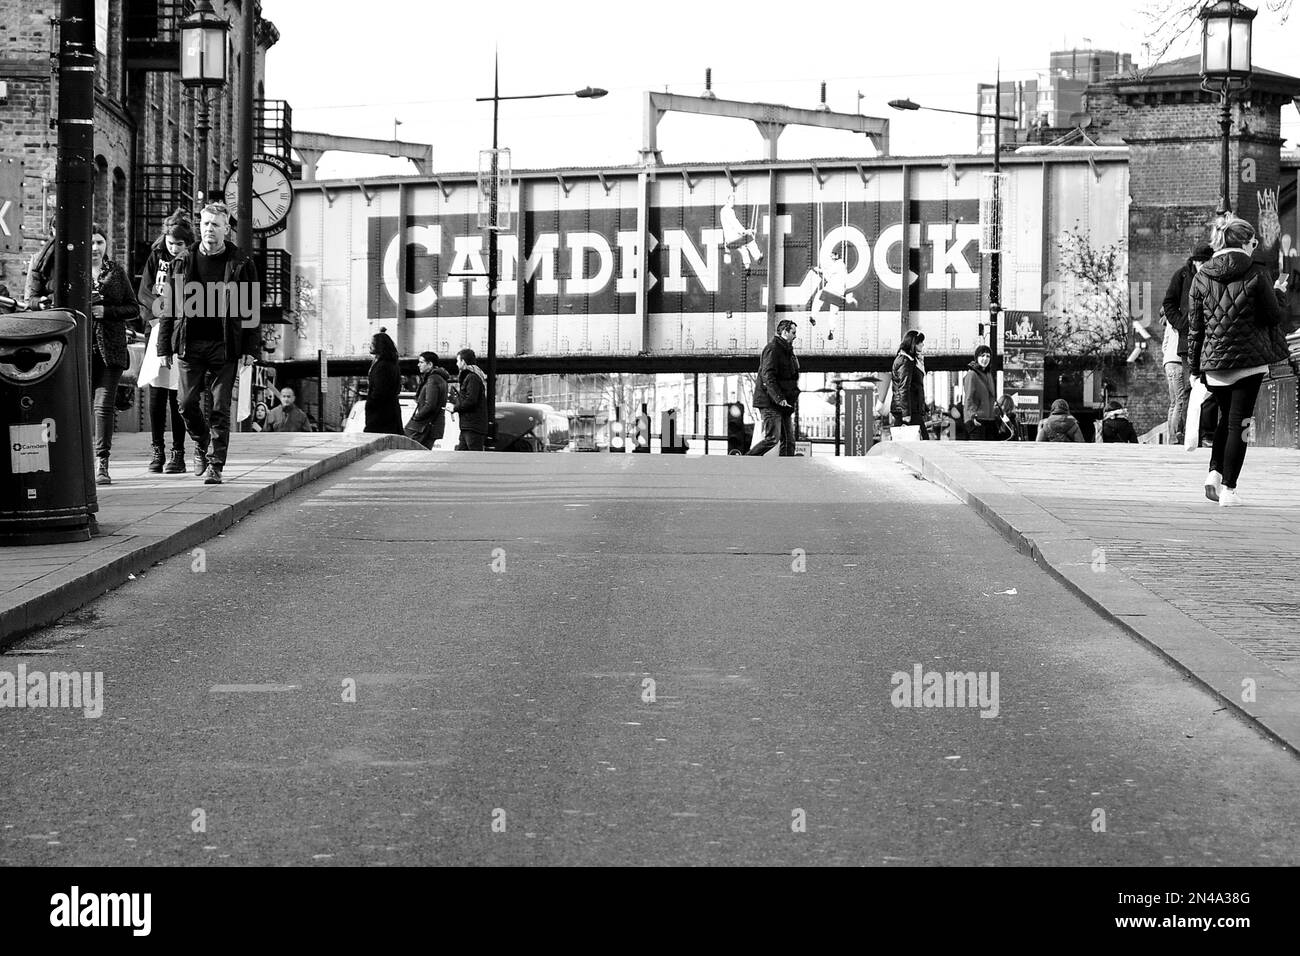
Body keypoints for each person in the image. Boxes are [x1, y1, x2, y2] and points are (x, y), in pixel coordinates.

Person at [1188, 216, 1290, 506]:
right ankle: (1229, 491)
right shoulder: (1257, 272)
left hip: (1213, 363)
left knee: (1226, 420)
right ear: (1245, 243)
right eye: (1254, 243)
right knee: (1240, 424)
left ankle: (1214, 473)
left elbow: (1195, 328)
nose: (1255, 248)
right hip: (1249, 361)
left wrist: (1195, 368)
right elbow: (1272, 317)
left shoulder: (1201, 276)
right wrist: (1280, 294)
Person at [158, 202, 261, 486]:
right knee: (185, 402)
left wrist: (251, 349)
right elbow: (169, 305)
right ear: (200, 227)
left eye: (215, 224)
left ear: (226, 229)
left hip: (225, 345)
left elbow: (251, 308)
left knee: (219, 406)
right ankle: (202, 441)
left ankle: (216, 464)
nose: (209, 229)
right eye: (205, 224)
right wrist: (164, 346)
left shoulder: (240, 262)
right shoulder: (184, 260)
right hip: (190, 343)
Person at [136, 212, 195, 474]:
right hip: (156, 329)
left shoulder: (192, 262)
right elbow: (144, 292)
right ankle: (157, 449)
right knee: (157, 391)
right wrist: (160, 311)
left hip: (180, 332)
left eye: (179, 244)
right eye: (171, 243)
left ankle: (178, 452)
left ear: (187, 243)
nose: (174, 248)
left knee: (177, 393)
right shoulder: (155, 257)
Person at [84, 223, 140, 485]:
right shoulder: (74, 270)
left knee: (103, 405)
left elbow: (133, 308)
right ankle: (81, 462)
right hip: (81, 350)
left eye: (99, 242)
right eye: (91, 242)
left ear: (105, 245)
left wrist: (107, 312)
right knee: (81, 408)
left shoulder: (116, 272)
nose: (95, 247)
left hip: (111, 350)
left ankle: (102, 463)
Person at [1161, 244, 1214, 446]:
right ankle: (1192, 434)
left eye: (1204, 261)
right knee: (1191, 387)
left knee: (1211, 385)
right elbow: (1168, 303)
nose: (1200, 264)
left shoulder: (1215, 274)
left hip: (1211, 338)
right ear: (1193, 261)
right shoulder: (1182, 276)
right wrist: (1182, 324)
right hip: (1188, 341)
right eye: (1198, 261)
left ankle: (1206, 433)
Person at [746, 318, 801, 456]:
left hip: (783, 403)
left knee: (789, 441)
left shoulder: (787, 351)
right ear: (784, 332)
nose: (795, 336)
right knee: (772, 438)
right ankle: (746, 460)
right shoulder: (773, 349)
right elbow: (768, 376)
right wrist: (779, 398)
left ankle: (786, 471)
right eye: (793, 332)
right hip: (770, 402)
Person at [404, 351, 450, 449]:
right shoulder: (440, 378)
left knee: (411, 452)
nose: (418, 364)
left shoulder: (432, 379)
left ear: (430, 364)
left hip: (425, 426)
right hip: (432, 425)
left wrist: (416, 417)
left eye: (421, 362)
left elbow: (430, 405)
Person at [364, 327, 404, 435]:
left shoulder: (383, 366)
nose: (370, 345)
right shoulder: (391, 363)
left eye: (373, 343)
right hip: (390, 411)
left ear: (380, 345)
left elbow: (379, 390)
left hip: (381, 413)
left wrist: (371, 403)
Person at [890, 329, 929, 439]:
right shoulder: (905, 361)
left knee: (906, 442)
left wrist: (923, 406)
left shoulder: (910, 360)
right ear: (913, 343)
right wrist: (906, 413)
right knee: (922, 441)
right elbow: (904, 387)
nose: (922, 344)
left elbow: (914, 387)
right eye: (920, 342)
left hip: (910, 408)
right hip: (908, 409)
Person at [452, 347, 489, 450]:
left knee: (474, 458)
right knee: (462, 456)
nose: (456, 363)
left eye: (457, 360)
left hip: (473, 426)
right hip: (468, 425)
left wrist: (455, 408)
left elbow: (471, 400)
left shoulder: (472, 378)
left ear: (463, 361)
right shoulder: (471, 377)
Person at [961, 344, 1000, 440]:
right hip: (977, 420)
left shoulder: (988, 375)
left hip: (990, 420)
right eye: (982, 356)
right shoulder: (972, 375)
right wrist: (971, 416)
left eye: (988, 356)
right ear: (976, 358)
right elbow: (969, 398)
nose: (985, 359)